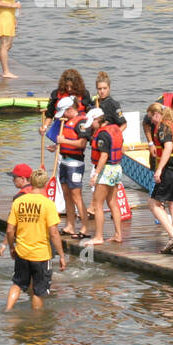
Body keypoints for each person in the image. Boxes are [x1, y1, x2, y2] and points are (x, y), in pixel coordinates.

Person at [1, 168, 65, 311]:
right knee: (38, 291)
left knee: (17, 284)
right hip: (41, 254)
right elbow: (54, 232)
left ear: (30, 182)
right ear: (45, 184)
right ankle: (36, 324)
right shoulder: (48, 204)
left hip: (22, 252)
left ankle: (7, 310)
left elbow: (10, 229)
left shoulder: (19, 202)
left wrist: (11, 247)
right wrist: (61, 255)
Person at [146, 103, 173, 254]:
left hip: (171, 169)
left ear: (157, 114)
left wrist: (159, 169)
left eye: (151, 117)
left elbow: (168, 148)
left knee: (153, 203)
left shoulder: (164, 127)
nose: (152, 121)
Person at [53, 99, 91, 239]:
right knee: (66, 194)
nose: (64, 116)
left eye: (65, 113)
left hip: (75, 164)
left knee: (76, 195)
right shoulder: (67, 122)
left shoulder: (81, 122)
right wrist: (57, 146)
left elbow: (82, 143)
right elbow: (66, 141)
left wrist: (64, 141)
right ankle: (70, 226)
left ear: (70, 109)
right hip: (64, 161)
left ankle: (85, 228)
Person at [86, 107, 125, 245]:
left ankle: (98, 237)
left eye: (92, 122)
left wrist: (96, 175)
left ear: (98, 120)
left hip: (106, 169)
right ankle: (118, 234)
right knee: (113, 202)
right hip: (117, 168)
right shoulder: (115, 128)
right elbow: (121, 148)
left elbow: (104, 155)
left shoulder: (102, 134)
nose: (91, 125)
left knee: (97, 205)